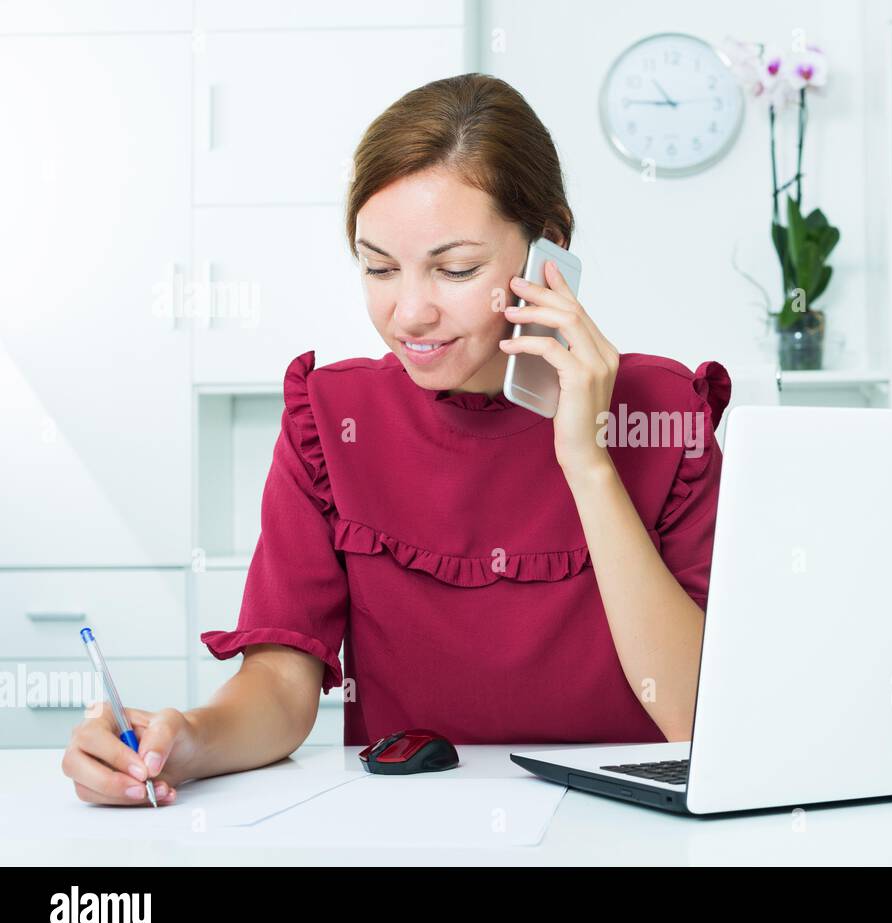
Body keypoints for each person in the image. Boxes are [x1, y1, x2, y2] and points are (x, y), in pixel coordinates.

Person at [62, 73, 731, 806]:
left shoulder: (665, 414)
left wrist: (586, 461)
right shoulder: (330, 419)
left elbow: (696, 716)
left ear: (551, 252)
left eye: (455, 269)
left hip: (625, 831)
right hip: (408, 823)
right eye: (378, 267)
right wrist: (186, 739)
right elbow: (282, 686)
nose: (408, 311)